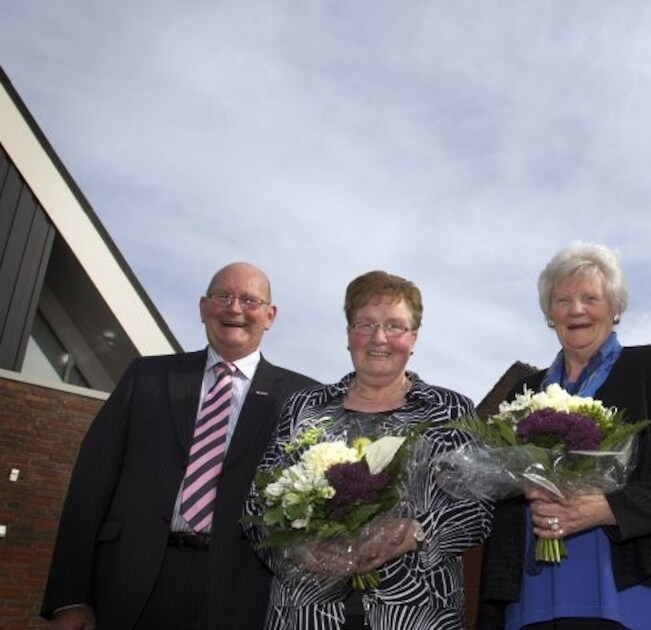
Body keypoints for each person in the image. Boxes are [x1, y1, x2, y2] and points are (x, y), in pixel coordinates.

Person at [40, 262, 318, 630]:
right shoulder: (146, 378)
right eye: (223, 297)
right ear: (204, 307)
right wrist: (69, 597)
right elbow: (90, 488)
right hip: (130, 583)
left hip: (245, 593)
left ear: (270, 315)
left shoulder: (304, 399)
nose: (234, 309)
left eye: (250, 300)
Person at [245, 270, 493, 629]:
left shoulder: (449, 410)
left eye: (395, 326)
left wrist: (416, 532)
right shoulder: (305, 407)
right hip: (307, 612)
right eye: (365, 324)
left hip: (415, 612)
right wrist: (297, 547)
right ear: (349, 335)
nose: (379, 338)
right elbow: (258, 502)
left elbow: (477, 510)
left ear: (414, 338)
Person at [481, 242, 651, 630]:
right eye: (563, 300)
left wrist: (609, 508)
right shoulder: (525, 390)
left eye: (590, 298)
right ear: (550, 314)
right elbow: (499, 493)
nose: (576, 310)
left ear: (615, 308)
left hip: (630, 586)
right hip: (533, 591)